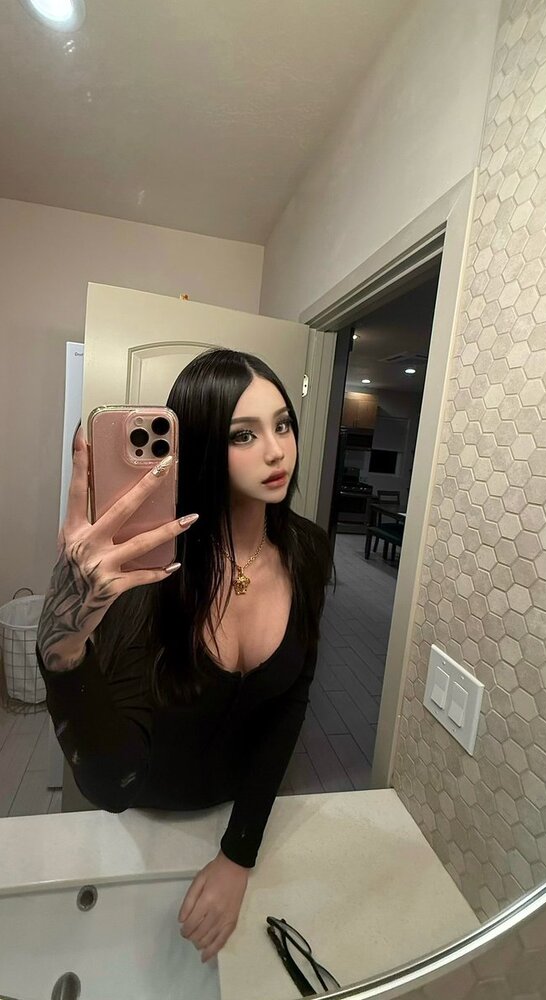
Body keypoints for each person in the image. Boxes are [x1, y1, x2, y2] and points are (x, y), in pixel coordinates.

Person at [36, 348, 336, 963]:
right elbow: (110, 783)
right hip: (142, 826)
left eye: (282, 425)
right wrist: (63, 643)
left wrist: (238, 852)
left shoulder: (308, 551)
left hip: (234, 815)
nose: (276, 451)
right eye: (243, 435)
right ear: (197, 447)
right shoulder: (151, 576)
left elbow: (290, 704)